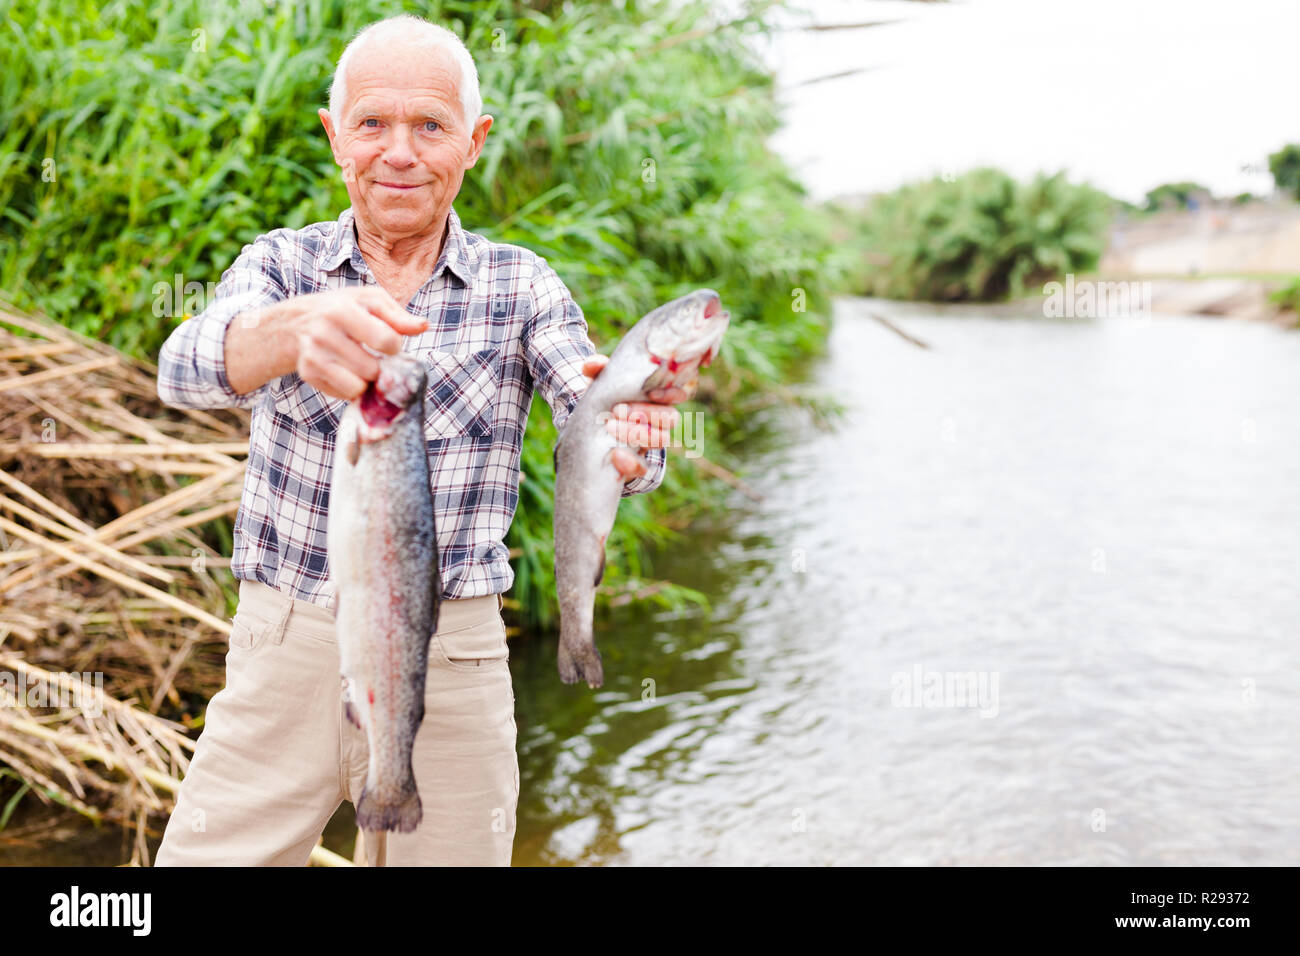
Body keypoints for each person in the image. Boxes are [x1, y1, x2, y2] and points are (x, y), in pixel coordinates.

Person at [152, 14, 684, 866]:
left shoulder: (523, 284)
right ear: (336, 139)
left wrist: (629, 437)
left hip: (458, 649)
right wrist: (291, 332)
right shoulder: (282, 267)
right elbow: (179, 369)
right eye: (372, 124)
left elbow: (595, 408)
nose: (399, 151)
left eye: (430, 126)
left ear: (473, 143)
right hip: (285, 643)